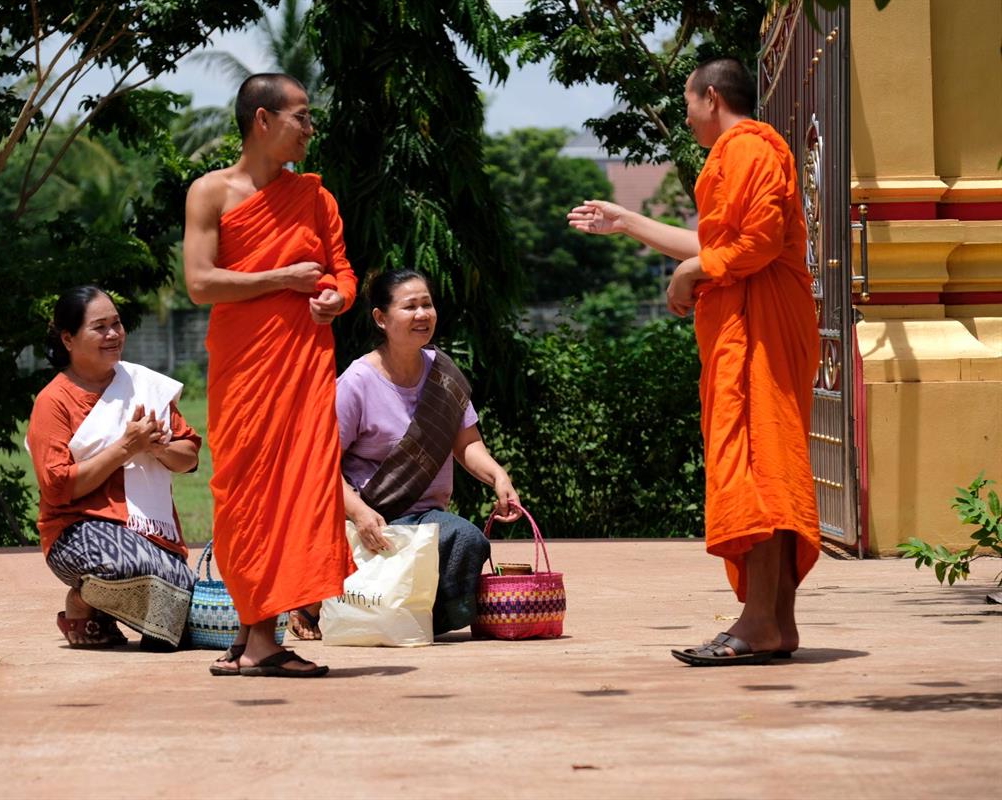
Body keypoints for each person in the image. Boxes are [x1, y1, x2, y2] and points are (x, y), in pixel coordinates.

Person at [567, 57, 821, 666]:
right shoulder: (731, 157)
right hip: (751, 325)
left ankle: (760, 622)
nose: (685, 115)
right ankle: (775, 622)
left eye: (686, 102)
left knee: (759, 469)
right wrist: (626, 221)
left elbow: (751, 246)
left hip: (761, 328)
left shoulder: (751, 150)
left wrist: (691, 271)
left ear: (711, 97)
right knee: (764, 464)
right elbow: (718, 245)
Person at [183, 73, 357, 678]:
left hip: (303, 367)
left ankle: (256, 639)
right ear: (262, 120)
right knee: (244, 497)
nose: (311, 129)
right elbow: (200, 283)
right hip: (245, 373)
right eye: (301, 117)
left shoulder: (315, 197)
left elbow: (341, 272)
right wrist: (279, 280)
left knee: (298, 492)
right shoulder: (210, 193)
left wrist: (336, 297)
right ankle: (257, 637)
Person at [296, 269, 519, 640]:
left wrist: (498, 477)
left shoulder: (442, 374)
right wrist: (361, 514)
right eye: (410, 306)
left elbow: (467, 444)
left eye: (427, 304)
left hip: (423, 517)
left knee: (467, 539)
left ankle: (418, 619)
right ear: (381, 318)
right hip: (365, 514)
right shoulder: (357, 382)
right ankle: (313, 605)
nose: (422, 315)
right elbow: (319, 466)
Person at [27, 286, 202, 650]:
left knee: (190, 613)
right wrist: (127, 446)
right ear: (68, 338)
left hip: (151, 537)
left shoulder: (144, 386)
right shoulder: (54, 401)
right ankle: (82, 603)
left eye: (117, 324)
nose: (113, 335)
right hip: (78, 533)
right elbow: (58, 488)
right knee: (133, 571)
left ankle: (101, 621)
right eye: (100, 327)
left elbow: (190, 457)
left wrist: (159, 447)